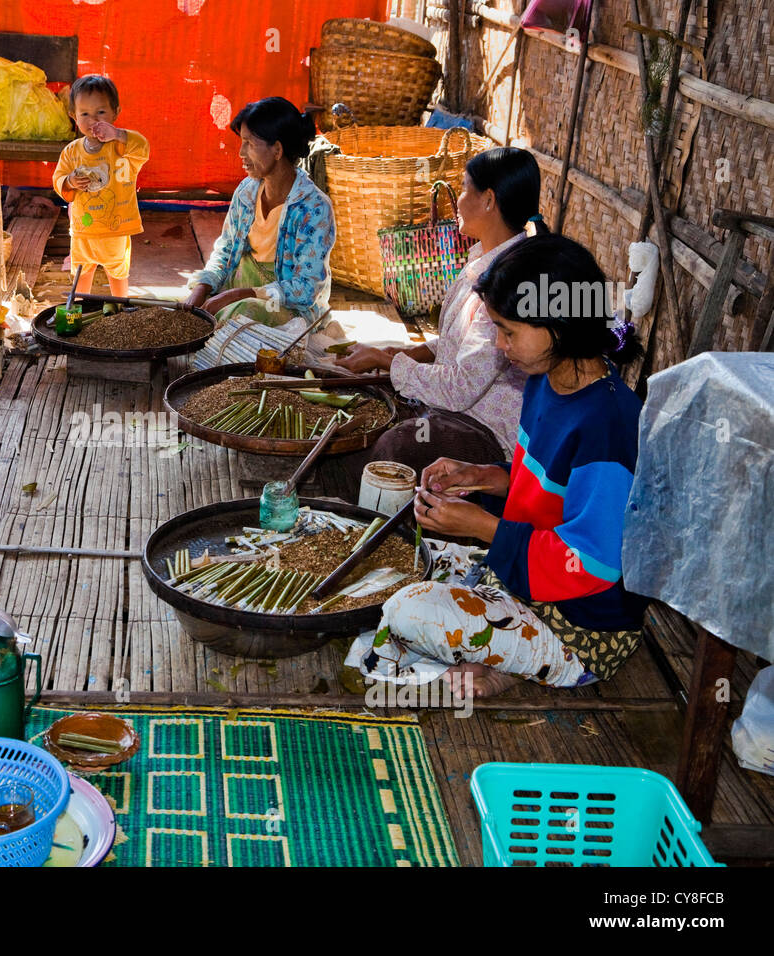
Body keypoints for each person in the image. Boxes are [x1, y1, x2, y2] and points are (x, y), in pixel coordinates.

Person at [357, 234, 647, 698]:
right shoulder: (547, 380)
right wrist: (481, 475)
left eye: (508, 331)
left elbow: (592, 562)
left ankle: (552, 663)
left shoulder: (608, 425)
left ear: (558, 324)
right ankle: (509, 661)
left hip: (582, 624)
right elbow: (547, 484)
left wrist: (483, 527)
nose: (498, 343)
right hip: (520, 580)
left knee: (407, 612)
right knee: (391, 564)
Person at [329, 148, 544, 502]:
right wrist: (395, 353)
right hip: (455, 411)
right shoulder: (483, 258)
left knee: (399, 444)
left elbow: (461, 387)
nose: (457, 201)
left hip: (486, 432)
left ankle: (370, 523)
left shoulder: (511, 279)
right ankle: (347, 498)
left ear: (489, 200)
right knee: (362, 415)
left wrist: (388, 363)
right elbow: (452, 343)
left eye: (463, 189)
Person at [183, 97, 335, 328]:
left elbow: (305, 289)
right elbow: (224, 251)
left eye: (249, 144)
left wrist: (240, 295)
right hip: (238, 289)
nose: (241, 153)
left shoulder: (314, 208)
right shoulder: (247, 191)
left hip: (287, 308)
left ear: (277, 150)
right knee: (175, 308)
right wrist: (201, 288)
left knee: (241, 315)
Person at [52, 75, 150, 297]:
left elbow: (143, 147)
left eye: (101, 112)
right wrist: (69, 182)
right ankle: (79, 309)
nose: (92, 119)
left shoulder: (121, 148)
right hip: (82, 230)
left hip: (115, 229)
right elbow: (59, 180)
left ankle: (119, 307)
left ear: (116, 112)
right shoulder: (71, 151)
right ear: (73, 117)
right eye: (84, 114)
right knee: (81, 272)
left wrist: (118, 134)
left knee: (117, 272)